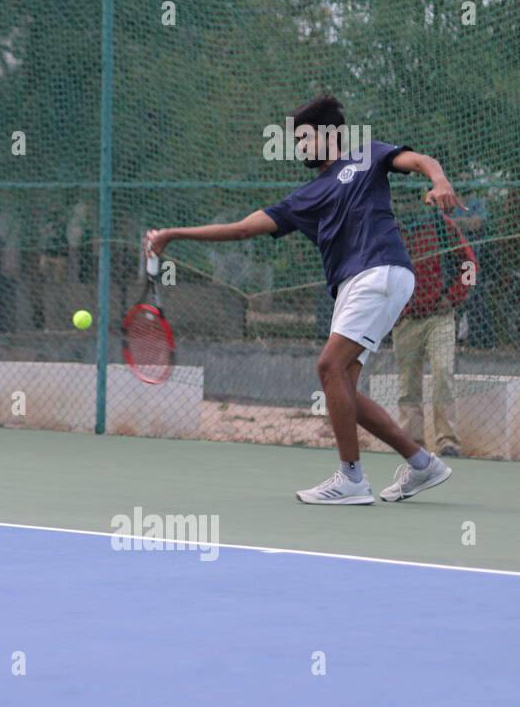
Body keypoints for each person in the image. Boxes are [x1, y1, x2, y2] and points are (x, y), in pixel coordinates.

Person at [147, 94, 462, 505]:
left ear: (329, 135)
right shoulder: (304, 198)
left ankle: (351, 480)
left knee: (327, 366)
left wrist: (439, 181)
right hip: (355, 286)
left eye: (304, 138)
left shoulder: (368, 156)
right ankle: (422, 464)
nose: (299, 147)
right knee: (344, 385)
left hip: (379, 270)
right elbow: (242, 229)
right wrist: (174, 235)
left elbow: (420, 161)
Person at [391, 200, 474, 458]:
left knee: (442, 374)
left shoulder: (440, 225)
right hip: (404, 320)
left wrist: (454, 297)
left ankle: (447, 441)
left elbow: (469, 263)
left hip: (439, 316)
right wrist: (389, 309)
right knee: (407, 385)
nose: (407, 204)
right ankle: (412, 443)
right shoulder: (387, 228)